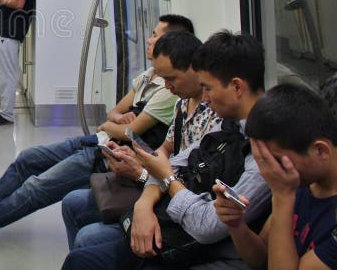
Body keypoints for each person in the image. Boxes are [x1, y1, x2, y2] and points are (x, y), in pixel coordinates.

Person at [0, 16, 193, 238]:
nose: (148, 40)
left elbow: (128, 130)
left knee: (37, 187)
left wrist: (114, 123)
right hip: (97, 139)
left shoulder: (169, 91)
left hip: (108, 154)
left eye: (156, 36)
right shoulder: (148, 76)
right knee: (27, 159)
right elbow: (113, 112)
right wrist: (113, 121)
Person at [65, 31, 271, 270]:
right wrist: (145, 203)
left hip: (197, 239)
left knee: (87, 242)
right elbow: (171, 162)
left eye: (209, 89)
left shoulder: (264, 149)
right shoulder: (224, 123)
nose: (205, 97)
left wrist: (162, 178)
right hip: (175, 211)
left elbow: (207, 225)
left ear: (236, 87)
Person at [62, 29, 221, 250]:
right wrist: (137, 159)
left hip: (175, 196)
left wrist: (142, 175)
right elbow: (164, 151)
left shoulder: (215, 116)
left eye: (172, 78)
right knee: (70, 201)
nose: (167, 86)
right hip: (159, 184)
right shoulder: (181, 104)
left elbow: (188, 179)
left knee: (88, 237)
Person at [213, 84, 337, 269]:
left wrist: (282, 196)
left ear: (320, 150)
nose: (269, 171)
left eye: (276, 160)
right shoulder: (302, 183)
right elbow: (261, 257)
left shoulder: (288, 187)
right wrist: (236, 224)